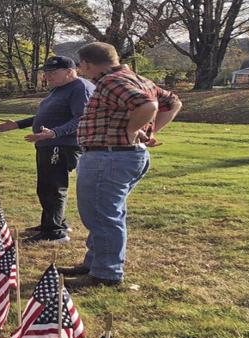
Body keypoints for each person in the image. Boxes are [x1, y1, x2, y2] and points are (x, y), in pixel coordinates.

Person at [64, 42, 182, 290]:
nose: (81, 71)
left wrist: (132, 129)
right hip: (123, 156)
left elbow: (148, 105)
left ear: (86, 64)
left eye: (81, 66)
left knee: (103, 216)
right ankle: (94, 263)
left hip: (109, 157)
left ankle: (106, 273)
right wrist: (150, 131)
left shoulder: (111, 81)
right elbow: (173, 103)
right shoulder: (138, 78)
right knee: (104, 212)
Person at [0, 56, 93, 244]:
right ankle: (54, 222)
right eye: (46, 72)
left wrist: (54, 133)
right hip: (50, 143)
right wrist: (18, 124)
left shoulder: (79, 88)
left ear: (69, 72)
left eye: (53, 72)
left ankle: (54, 233)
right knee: (47, 186)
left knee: (52, 188)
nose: (48, 76)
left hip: (61, 144)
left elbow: (82, 119)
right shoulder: (59, 89)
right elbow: (46, 115)